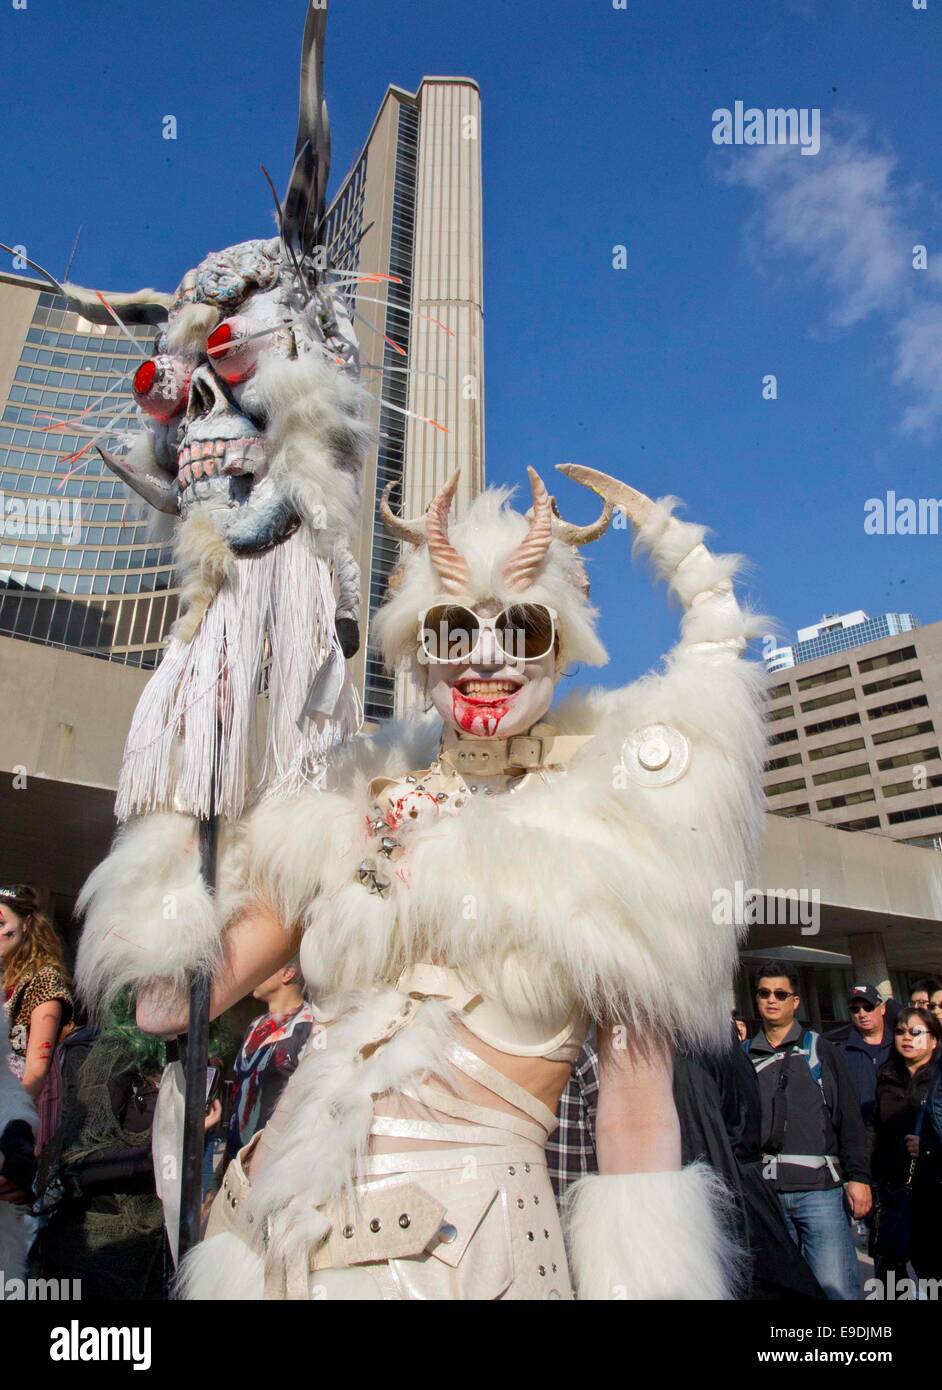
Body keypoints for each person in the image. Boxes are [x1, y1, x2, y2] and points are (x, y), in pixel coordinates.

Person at [86, 461, 770, 1301]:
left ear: (561, 648)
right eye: (451, 631)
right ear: (418, 650)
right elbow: (167, 1008)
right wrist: (188, 773)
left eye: (522, 629)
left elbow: (635, 1113)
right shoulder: (343, 809)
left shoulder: (614, 834)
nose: (486, 658)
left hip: (470, 1267)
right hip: (266, 1257)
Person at [549, 1031, 825, 1300]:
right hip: (724, 1195)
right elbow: (745, 1121)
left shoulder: (650, 1048)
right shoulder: (699, 1043)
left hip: (710, 1195)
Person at [743, 960, 871, 1300]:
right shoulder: (744, 1055)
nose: (772, 1000)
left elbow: (849, 1116)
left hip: (820, 1194)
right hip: (767, 1196)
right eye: (764, 993)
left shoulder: (820, 1049)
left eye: (780, 994)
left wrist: (859, 1177)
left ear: (795, 1001)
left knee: (835, 1290)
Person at [870, 1006, 942, 1283]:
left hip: (933, 1190)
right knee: (889, 1274)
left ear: (934, 1040)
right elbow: (874, 1129)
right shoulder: (886, 1076)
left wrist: (929, 1147)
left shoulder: (938, 1079)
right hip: (893, 1191)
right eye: (900, 1032)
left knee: (932, 1272)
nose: (907, 1037)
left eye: (915, 1032)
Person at [0, 884, 73, 1147]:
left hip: (22, 1107)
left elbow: (36, 1070)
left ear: (26, 925)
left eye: (1, 924)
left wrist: (12, 1119)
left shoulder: (44, 979)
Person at [226, 959, 317, 1162]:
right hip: (236, 1160)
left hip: (274, 1162)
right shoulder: (255, 1026)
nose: (254, 974)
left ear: (288, 973)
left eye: (264, 967)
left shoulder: (311, 1027)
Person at [833, 985, 894, 1129]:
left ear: (882, 1008)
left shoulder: (899, 1046)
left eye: (868, 1007)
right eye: (855, 1009)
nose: (862, 1014)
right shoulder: (841, 1052)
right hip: (862, 1133)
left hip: (898, 1131)